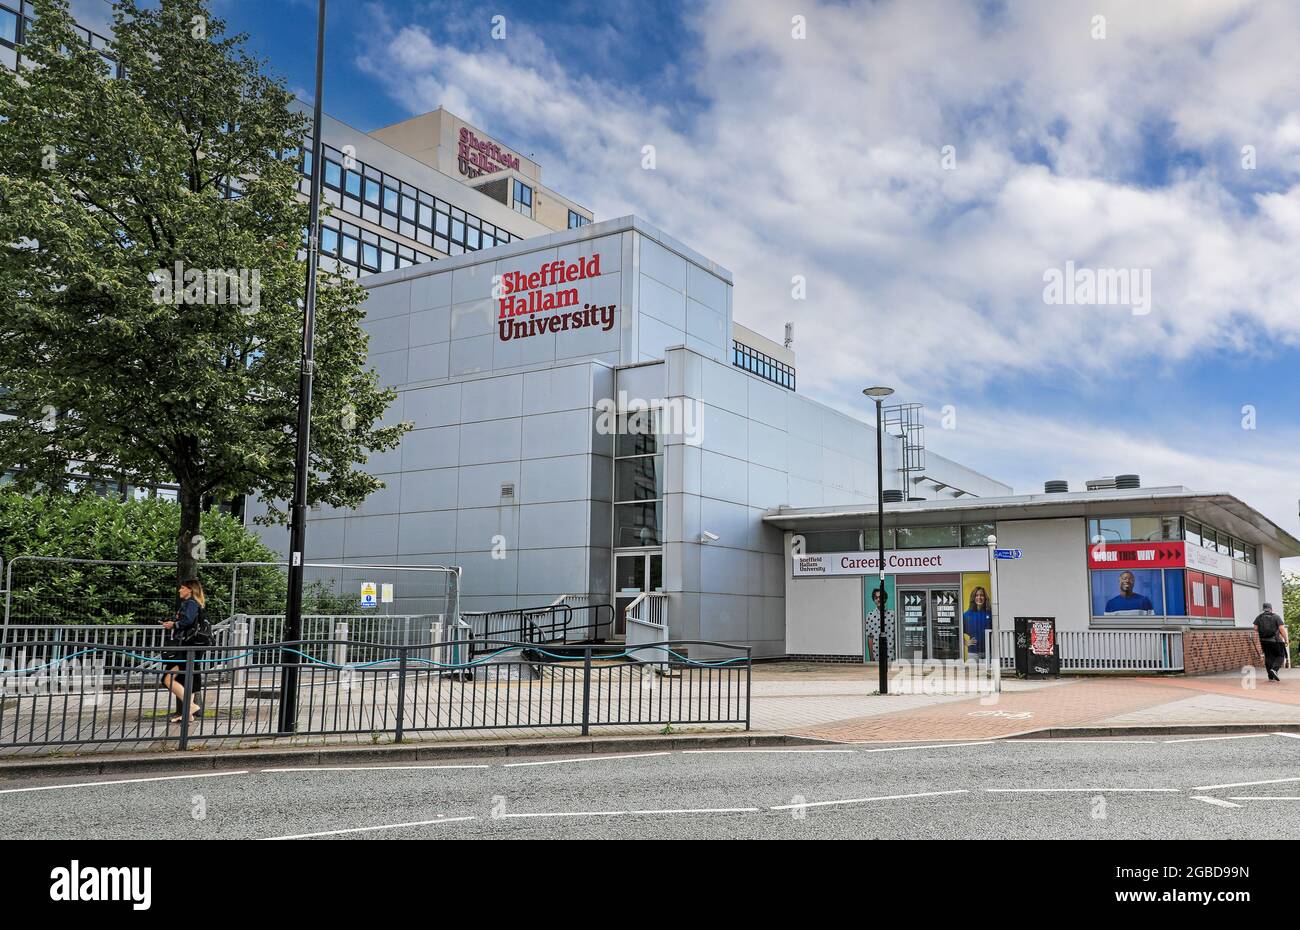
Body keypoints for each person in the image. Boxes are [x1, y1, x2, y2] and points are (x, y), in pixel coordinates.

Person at [161, 579, 207, 723]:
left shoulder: (191, 603)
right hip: (193, 646)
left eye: (182, 588)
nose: (179, 590)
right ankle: (188, 714)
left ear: (190, 590)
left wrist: (173, 624)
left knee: (167, 679)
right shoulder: (195, 603)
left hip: (187, 646)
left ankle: (191, 706)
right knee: (187, 679)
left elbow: (186, 621)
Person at [1253, 602, 1288, 682]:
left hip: (1263, 641)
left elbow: (1255, 628)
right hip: (1275, 640)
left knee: (1268, 657)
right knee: (1280, 655)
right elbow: (1282, 629)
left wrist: (1263, 631)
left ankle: (1270, 676)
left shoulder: (1259, 617)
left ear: (1264, 609)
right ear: (1271, 609)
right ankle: (1274, 670)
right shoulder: (1276, 617)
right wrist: (1285, 639)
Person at [962, 586, 992, 660]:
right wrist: (966, 643)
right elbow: (957, 632)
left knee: (989, 672)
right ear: (973, 598)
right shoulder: (967, 615)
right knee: (974, 672)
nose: (979, 597)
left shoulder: (990, 614)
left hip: (989, 653)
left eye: (981, 595)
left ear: (985, 597)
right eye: (976, 595)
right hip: (973, 653)